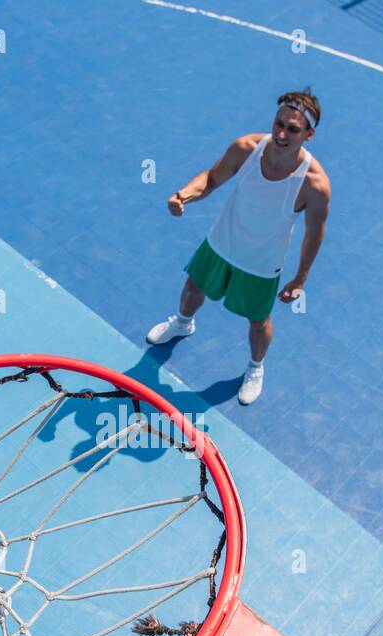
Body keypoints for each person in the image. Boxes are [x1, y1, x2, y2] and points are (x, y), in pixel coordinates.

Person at [147, 89, 331, 405]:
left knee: (258, 322)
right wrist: (184, 196)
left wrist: (300, 279)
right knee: (193, 288)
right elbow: (212, 178)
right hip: (220, 243)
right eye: (279, 124)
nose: (281, 134)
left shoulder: (314, 185)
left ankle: (255, 367)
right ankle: (182, 324)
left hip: (261, 264)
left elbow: (313, 235)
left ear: (309, 135)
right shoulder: (246, 148)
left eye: (293, 129)